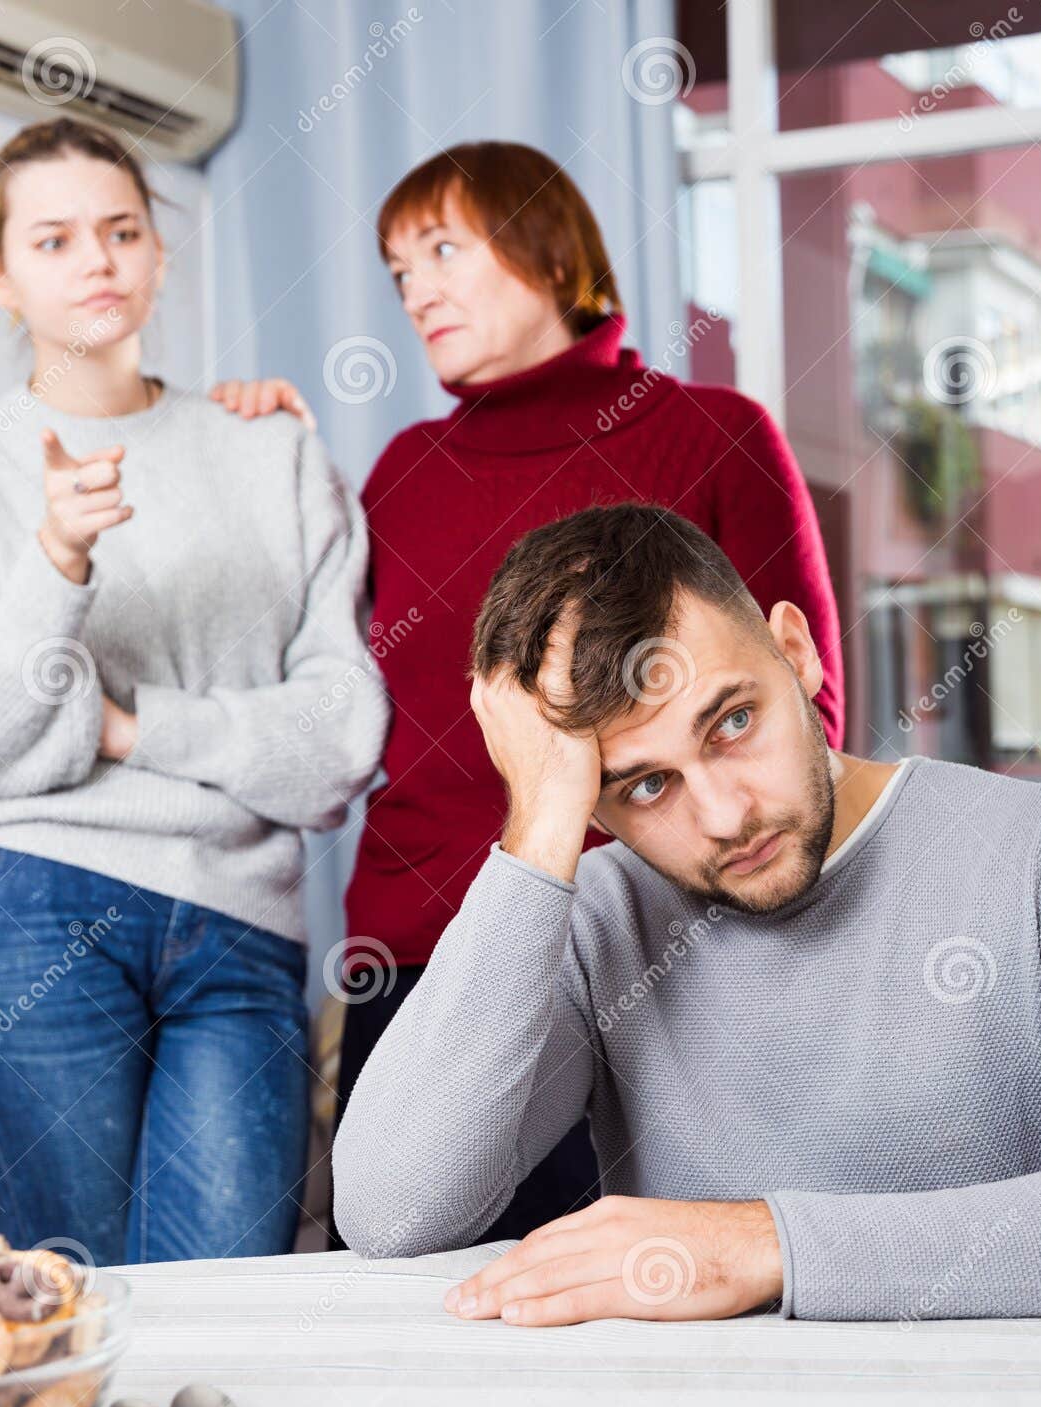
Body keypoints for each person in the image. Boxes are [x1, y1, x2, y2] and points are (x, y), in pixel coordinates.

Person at [332, 502, 1041, 1323]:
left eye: (730, 722)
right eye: (644, 785)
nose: (724, 815)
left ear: (794, 652)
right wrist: (536, 831)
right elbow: (390, 1211)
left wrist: (766, 1247)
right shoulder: (599, 922)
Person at [216, 141, 845, 1246]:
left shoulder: (713, 432)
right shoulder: (404, 469)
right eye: (400, 270)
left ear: (550, 251)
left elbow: (809, 716)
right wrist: (277, 470)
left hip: (654, 945)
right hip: (419, 952)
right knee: (413, 1286)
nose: (417, 290)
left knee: (647, 1290)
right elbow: (314, 671)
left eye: (445, 249)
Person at [0, 118, 386, 1265]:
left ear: (159, 253)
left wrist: (127, 722)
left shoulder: (273, 452)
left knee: (233, 1321)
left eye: (120, 230)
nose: (96, 260)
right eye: (53, 240)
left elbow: (340, 743)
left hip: (242, 926)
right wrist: (55, 567)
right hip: (30, 904)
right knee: (85, 1316)